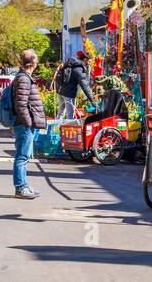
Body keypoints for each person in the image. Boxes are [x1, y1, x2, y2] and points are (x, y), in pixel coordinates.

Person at [11, 48, 47, 200]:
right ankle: (20, 187)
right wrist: (28, 122)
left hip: (24, 123)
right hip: (24, 124)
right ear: (33, 63)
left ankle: (24, 185)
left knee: (23, 156)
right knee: (22, 156)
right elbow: (21, 105)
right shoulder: (24, 79)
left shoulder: (23, 77)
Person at [54, 50, 97, 119]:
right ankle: (69, 126)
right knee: (70, 115)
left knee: (61, 113)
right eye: (89, 61)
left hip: (60, 91)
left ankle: (56, 125)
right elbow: (85, 85)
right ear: (85, 59)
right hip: (69, 94)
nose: (90, 63)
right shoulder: (78, 68)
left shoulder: (71, 63)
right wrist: (92, 100)